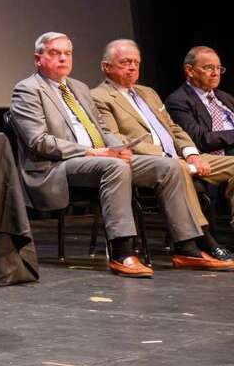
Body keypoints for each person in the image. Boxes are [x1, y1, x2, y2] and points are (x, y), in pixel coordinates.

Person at [8, 33, 223, 276]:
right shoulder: (27, 90)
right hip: (56, 166)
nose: (63, 59)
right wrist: (91, 152)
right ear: (38, 59)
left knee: (169, 167)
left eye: (67, 53)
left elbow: (101, 129)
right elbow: (39, 141)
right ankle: (123, 252)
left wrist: (119, 149)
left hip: (98, 158)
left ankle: (186, 247)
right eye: (54, 53)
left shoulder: (78, 87)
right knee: (115, 167)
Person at [89, 39, 234, 263]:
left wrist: (191, 153)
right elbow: (117, 139)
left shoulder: (148, 92)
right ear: (106, 67)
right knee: (175, 168)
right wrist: (167, 156)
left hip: (179, 156)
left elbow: (173, 128)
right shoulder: (99, 96)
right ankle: (204, 240)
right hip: (149, 161)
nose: (132, 67)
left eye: (136, 62)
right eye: (125, 62)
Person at [165, 46, 234, 158]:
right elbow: (199, 140)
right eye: (209, 68)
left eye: (218, 68)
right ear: (190, 70)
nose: (215, 73)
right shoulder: (178, 101)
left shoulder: (225, 98)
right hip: (213, 158)